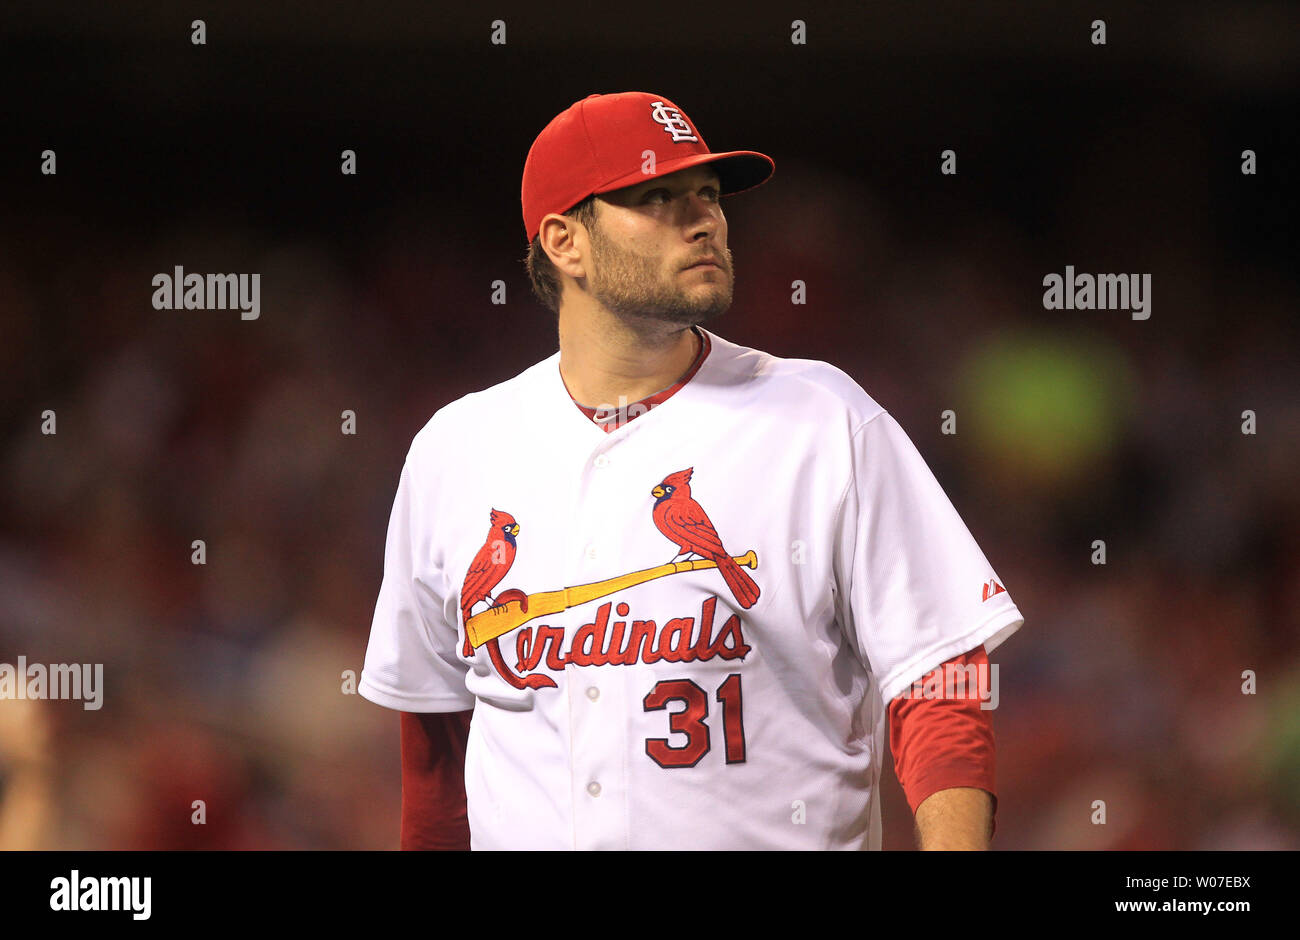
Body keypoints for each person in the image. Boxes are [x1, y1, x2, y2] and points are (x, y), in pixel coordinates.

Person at [359, 92, 1024, 850]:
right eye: (657, 198)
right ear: (564, 242)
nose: (703, 218)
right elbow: (437, 757)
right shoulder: (456, 449)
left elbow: (941, 680)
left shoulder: (824, 420)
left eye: (707, 195)